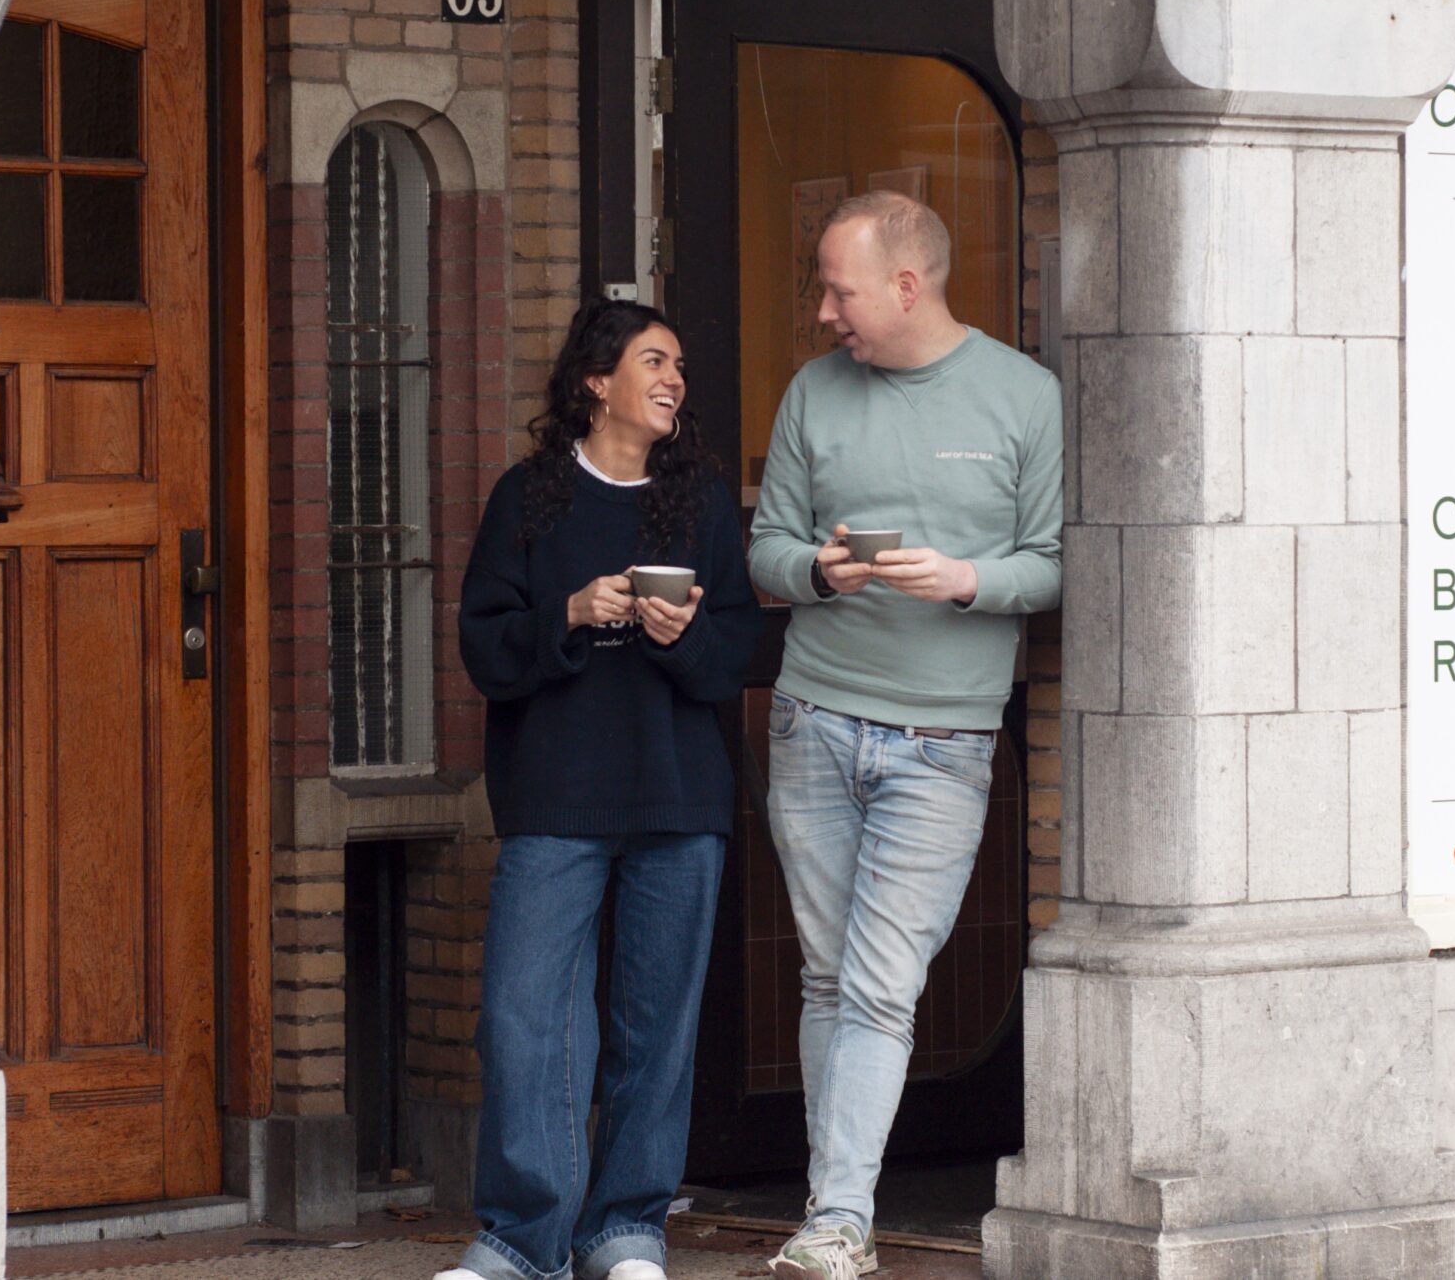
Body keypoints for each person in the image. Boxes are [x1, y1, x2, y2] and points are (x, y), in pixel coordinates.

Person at [746, 191, 1062, 1280]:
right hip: (815, 715)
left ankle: (836, 1220)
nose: (825, 308)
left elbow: (1057, 558)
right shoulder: (812, 392)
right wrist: (813, 570)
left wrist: (967, 579)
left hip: (943, 739)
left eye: (838, 287)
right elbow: (767, 545)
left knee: (880, 983)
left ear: (905, 284)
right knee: (830, 978)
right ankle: (832, 1213)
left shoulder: (1023, 396)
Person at [444, 300, 759, 1280]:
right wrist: (568, 614)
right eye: (653, 359)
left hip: (679, 798)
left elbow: (737, 652)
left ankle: (626, 1229)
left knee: (654, 1024)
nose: (673, 378)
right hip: (555, 796)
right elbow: (483, 650)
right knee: (524, 1016)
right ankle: (518, 1238)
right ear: (595, 379)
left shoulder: (702, 501)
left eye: (677, 363)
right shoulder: (526, 497)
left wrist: (682, 639)